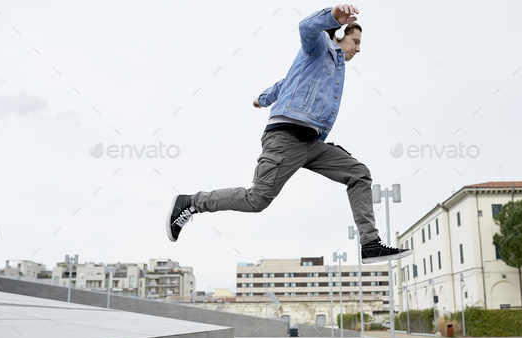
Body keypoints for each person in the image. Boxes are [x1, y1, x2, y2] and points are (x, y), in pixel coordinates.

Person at [166, 4, 412, 263]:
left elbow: (289, 81)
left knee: (359, 174)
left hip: (313, 143)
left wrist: (264, 97)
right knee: (257, 200)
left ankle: (370, 244)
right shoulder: (318, 46)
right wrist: (330, 17)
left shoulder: (333, 68)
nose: (359, 48)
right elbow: (306, 27)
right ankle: (191, 202)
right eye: (356, 41)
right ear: (339, 35)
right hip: (286, 137)